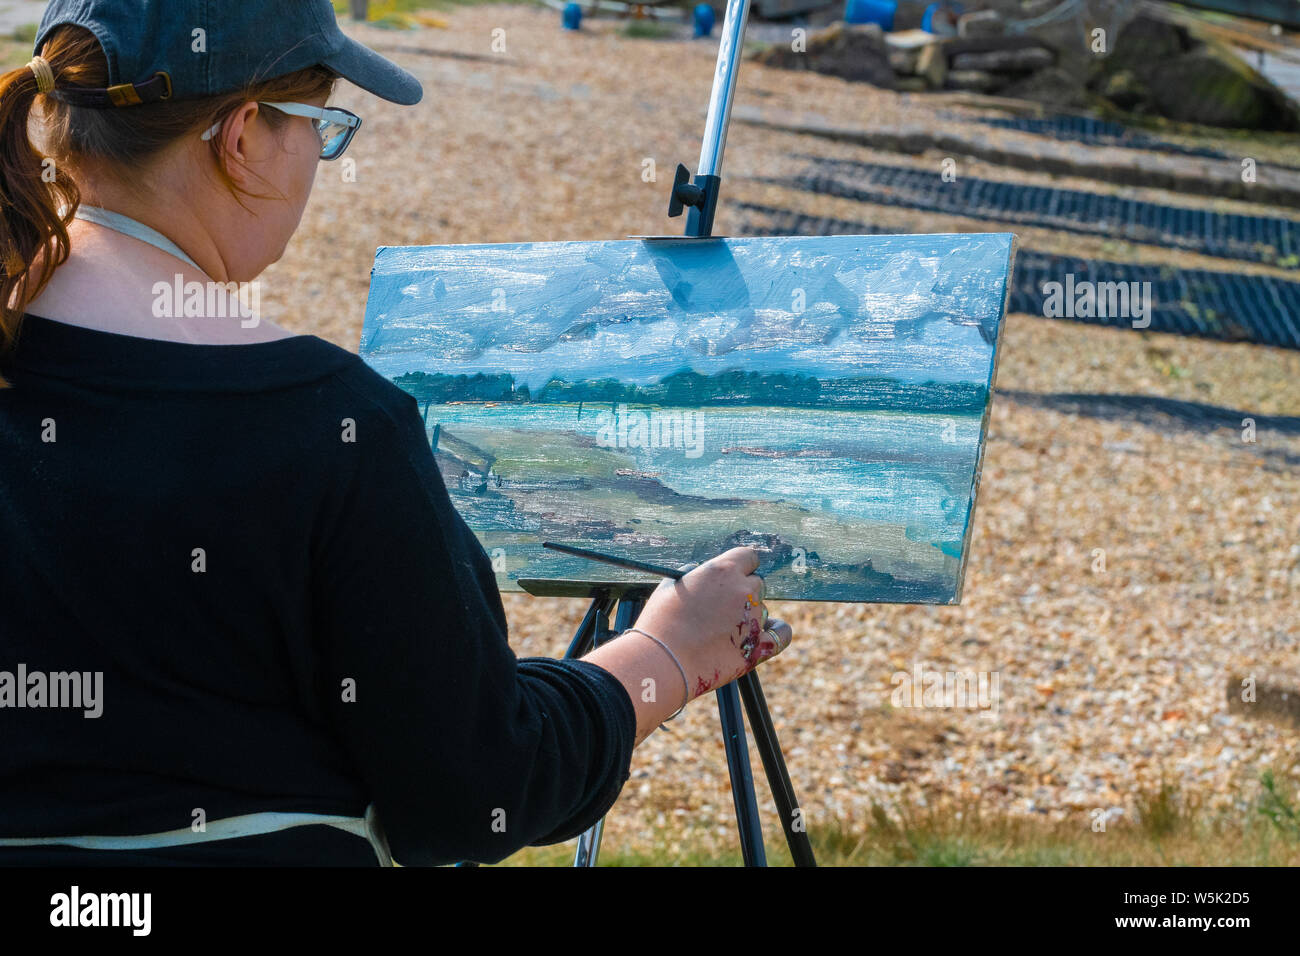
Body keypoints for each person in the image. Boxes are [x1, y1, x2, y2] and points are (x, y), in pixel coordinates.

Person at [0, 1, 794, 866]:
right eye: (324, 127)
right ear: (242, 136)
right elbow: (474, 792)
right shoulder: (325, 423)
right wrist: (668, 653)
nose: (318, 158)